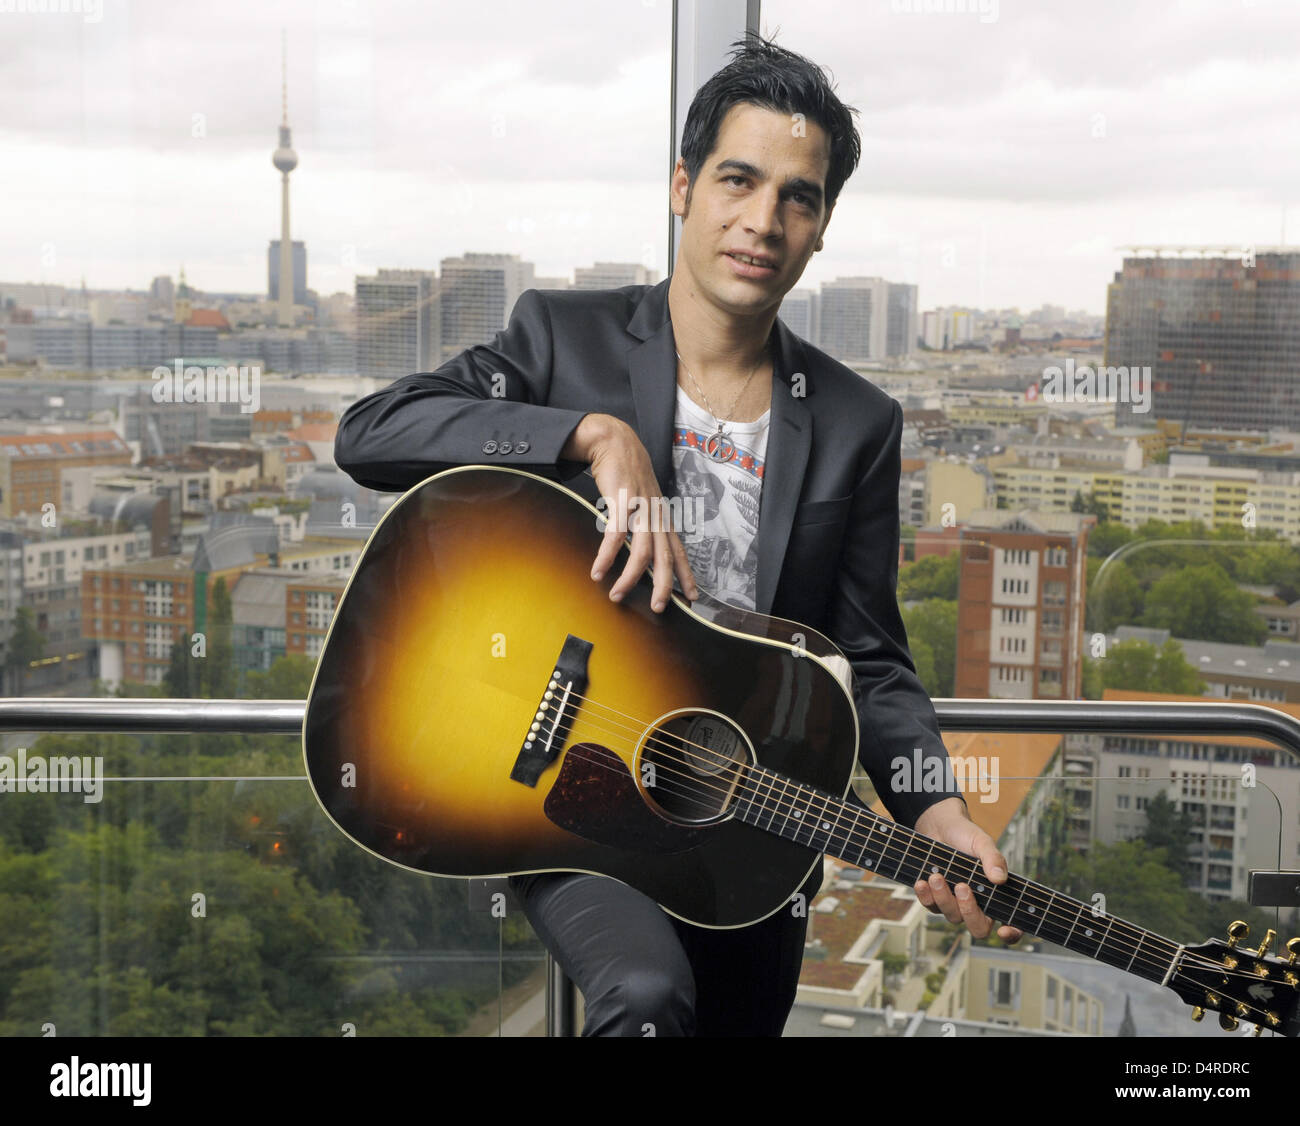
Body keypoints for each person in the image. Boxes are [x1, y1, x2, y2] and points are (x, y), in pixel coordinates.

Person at [334, 31, 1020, 1037]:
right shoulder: (563, 337)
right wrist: (588, 434)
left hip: (749, 817)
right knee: (646, 998)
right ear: (682, 187)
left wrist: (935, 807)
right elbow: (372, 431)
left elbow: (869, 659)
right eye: (738, 180)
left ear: (821, 228)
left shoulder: (857, 421)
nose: (762, 221)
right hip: (561, 774)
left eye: (798, 198)